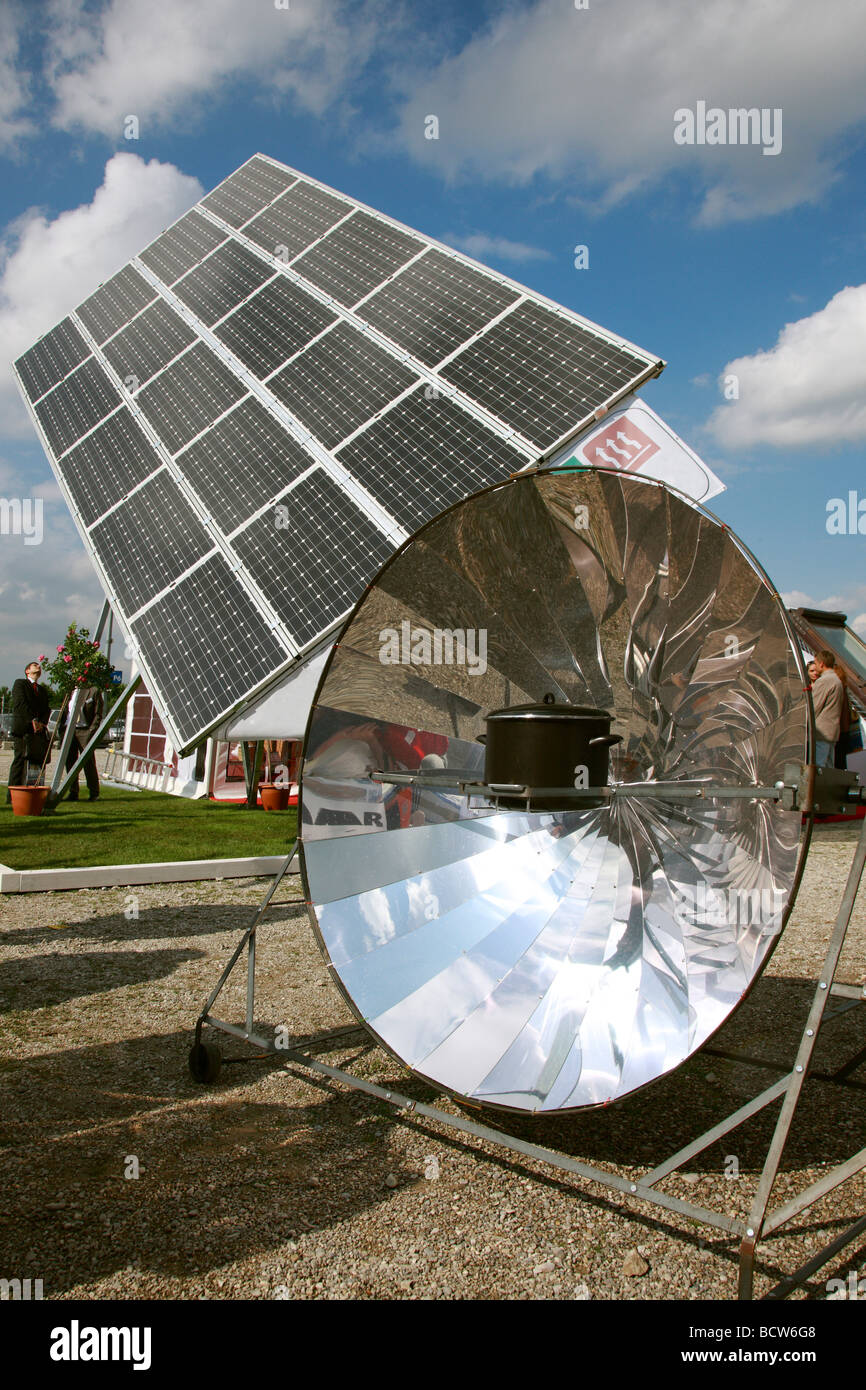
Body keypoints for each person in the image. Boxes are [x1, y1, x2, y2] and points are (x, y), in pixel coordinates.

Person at [7, 660, 52, 798]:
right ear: (27, 671)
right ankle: (12, 795)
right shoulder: (20, 684)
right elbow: (21, 704)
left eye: (39, 666)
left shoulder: (42, 690)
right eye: (35, 665)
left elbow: (46, 708)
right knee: (20, 759)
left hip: (37, 731)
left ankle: (33, 792)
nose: (38, 667)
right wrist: (32, 720)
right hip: (23, 729)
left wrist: (42, 723)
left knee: (37, 761)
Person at [61, 684, 103, 801]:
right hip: (69, 729)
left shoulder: (93, 691)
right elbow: (64, 711)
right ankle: (73, 792)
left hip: (84, 730)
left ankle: (94, 793)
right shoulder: (70, 691)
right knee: (70, 761)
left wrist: (91, 730)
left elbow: (98, 713)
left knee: (88, 762)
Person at [811, 650, 844, 768]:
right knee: (829, 768)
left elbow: (814, 707)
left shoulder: (824, 681)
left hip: (821, 732)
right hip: (832, 730)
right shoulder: (836, 680)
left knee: (819, 767)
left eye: (815, 663)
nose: (814, 666)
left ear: (821, 664)